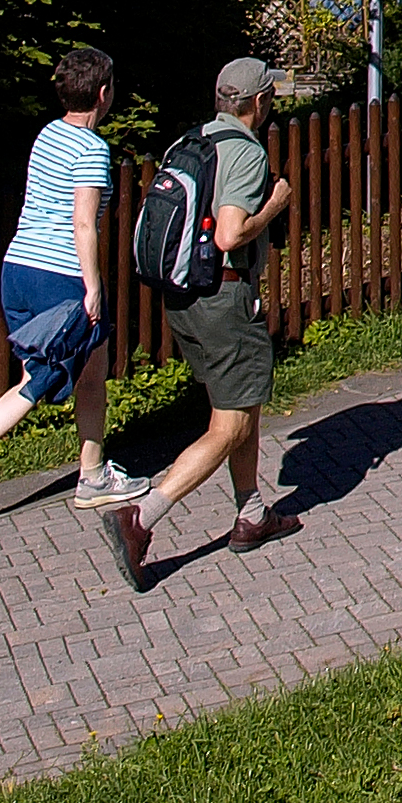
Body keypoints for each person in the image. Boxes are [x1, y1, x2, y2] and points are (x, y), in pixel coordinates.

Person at [0, 48, 152, 532]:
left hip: (19, 269)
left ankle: (93, 473)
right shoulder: (92, 149)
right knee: (42, 379)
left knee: (90, 369)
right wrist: (92, 288)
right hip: (62, 278)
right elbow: (83, 224)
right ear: (103, 93)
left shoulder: (48, 135)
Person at [102, 57, 299, 588]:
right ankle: (141, 518)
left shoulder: (190, 142)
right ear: (258, 102)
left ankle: (251, 513)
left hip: (184, 299)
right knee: (230, 424)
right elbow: (230, 236)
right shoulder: (244, 153)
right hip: (223, 301)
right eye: (270, 98)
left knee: (240, 404)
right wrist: (275, 205)